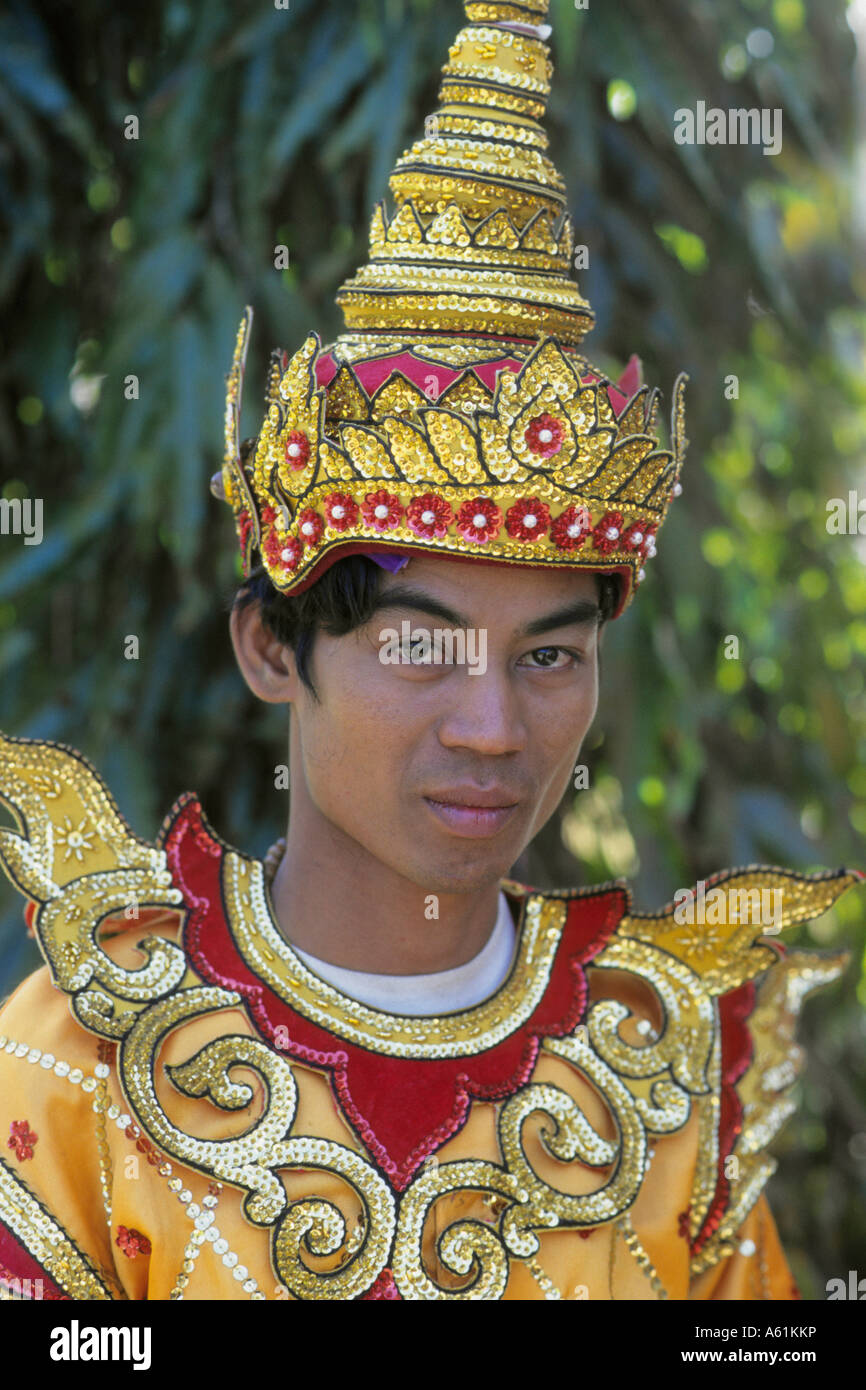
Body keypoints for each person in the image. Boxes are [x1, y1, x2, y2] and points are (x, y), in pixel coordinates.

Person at [0, 0, 861, 1302]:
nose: (493, 727)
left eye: (550, 658)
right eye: (418, 644)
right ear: (272, 646)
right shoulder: (81, 1063)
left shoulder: (678, 1072)